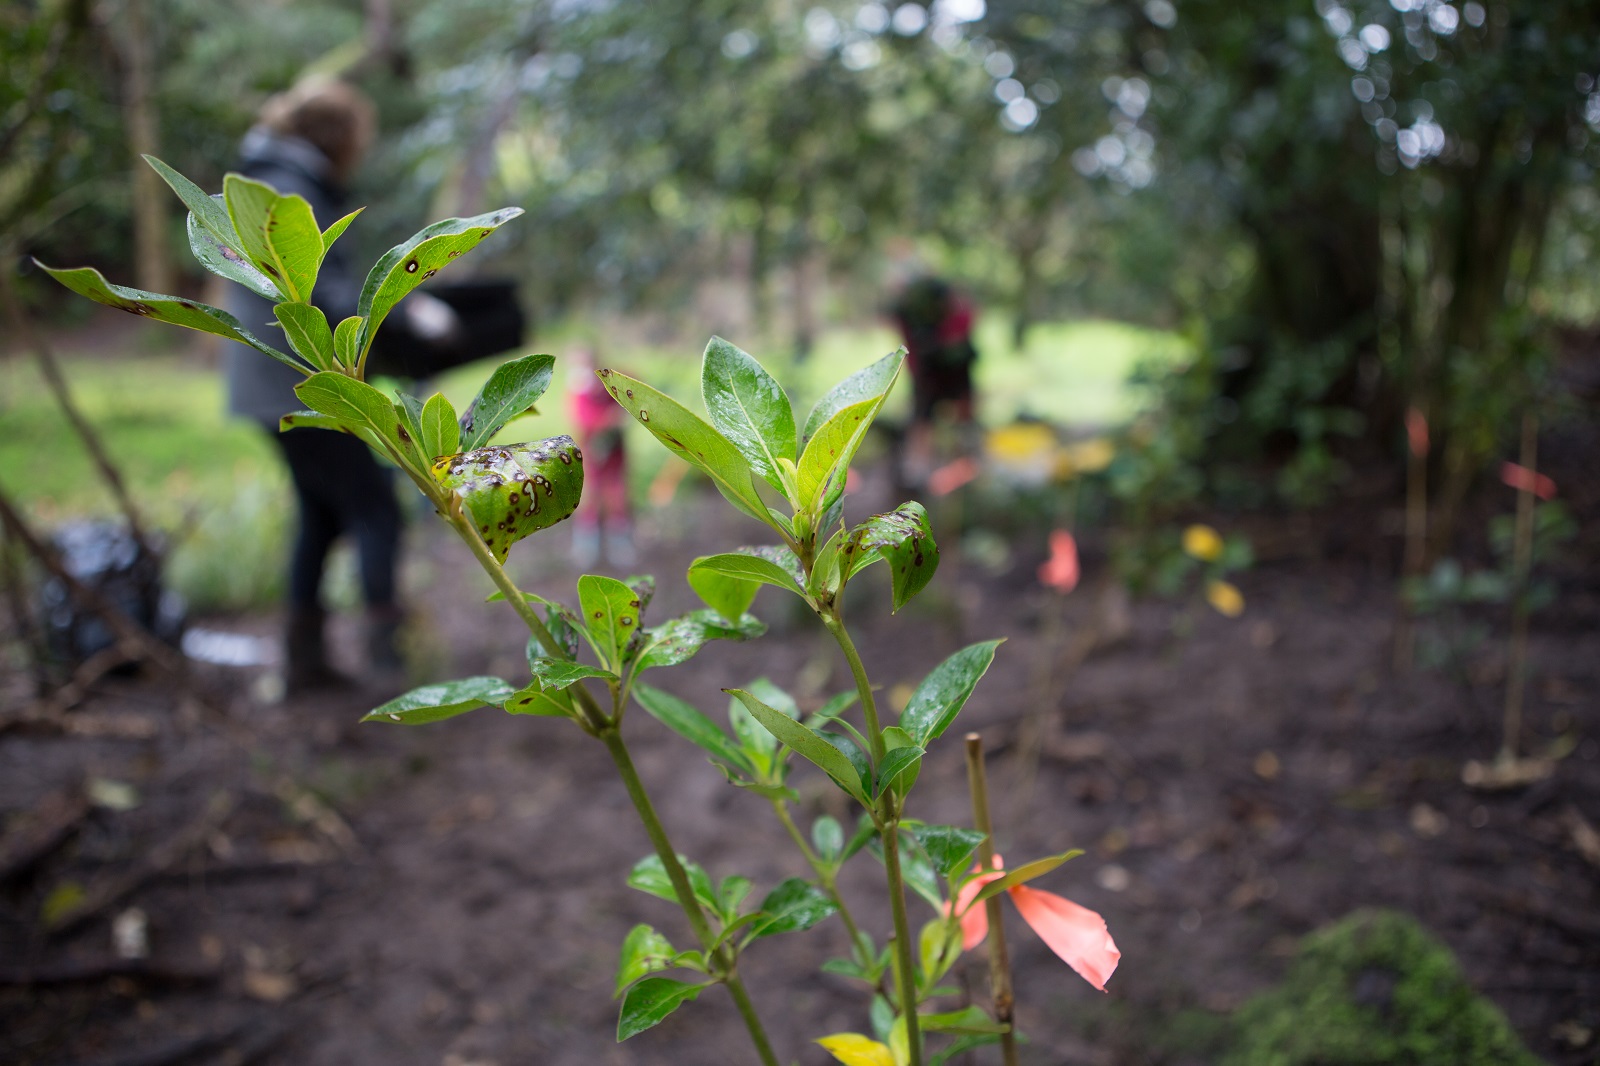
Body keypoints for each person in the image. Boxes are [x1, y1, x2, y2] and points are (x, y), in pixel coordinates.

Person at [223, 77, 458, 695]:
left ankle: (304, 660)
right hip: (300, 385)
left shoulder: (269, 174)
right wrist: (404, 313)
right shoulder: (291, 187)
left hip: (266, 384)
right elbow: (322, 294)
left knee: (321, 514)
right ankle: (388, 664)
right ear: (338, 137)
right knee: (377, 509)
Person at [889, 275, 980, 488]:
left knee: (934, 419)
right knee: (925, 419)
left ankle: (961, 464)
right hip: (930, 371)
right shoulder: (917, 316)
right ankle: (924, 470)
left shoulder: (919, 315)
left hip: (944, 371)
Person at [565, 345, 634, 568]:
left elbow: (630, 391)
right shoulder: (578, 391)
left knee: (617, 494)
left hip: (613, 451)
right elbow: (585, 421)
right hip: (591, 452)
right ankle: (586, 548)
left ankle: (620, 545)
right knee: (591, 496)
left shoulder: (608, 383)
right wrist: (611, 419)